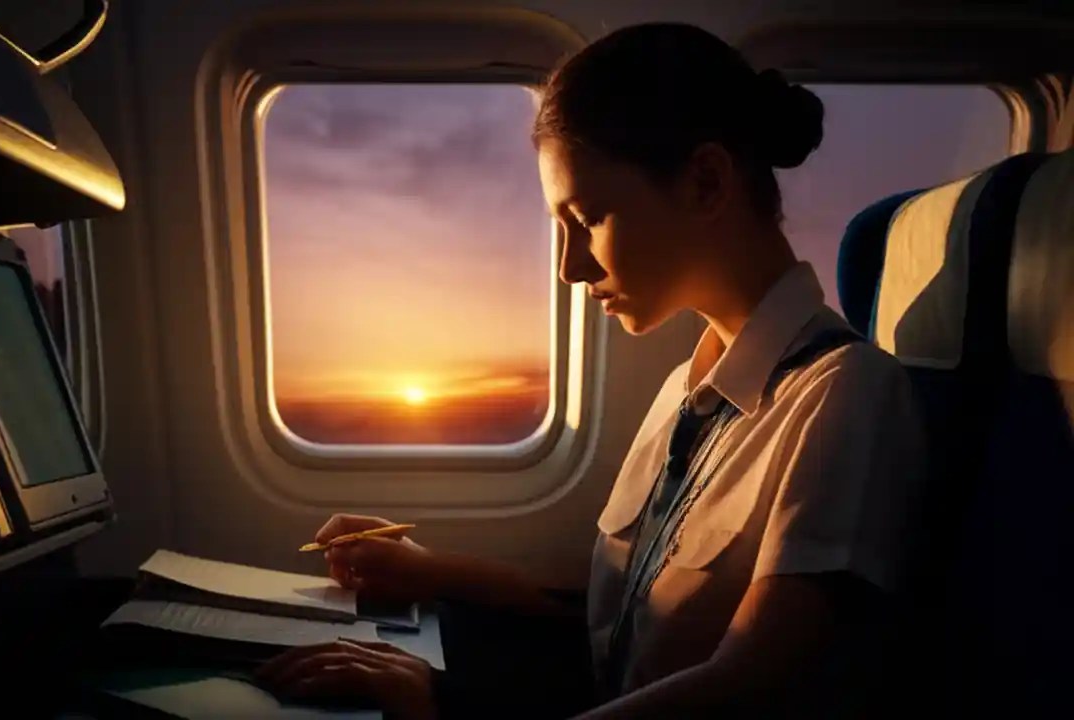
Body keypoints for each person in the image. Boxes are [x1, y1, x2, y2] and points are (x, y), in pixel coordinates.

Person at [255, 22, 926, 719]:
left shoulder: (845, 396)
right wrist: (431, 571)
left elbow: (748, 684)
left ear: (705, 182)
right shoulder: (687, 394)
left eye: (590, 218)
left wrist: (448, 708)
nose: (572, 267)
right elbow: (620, 626)